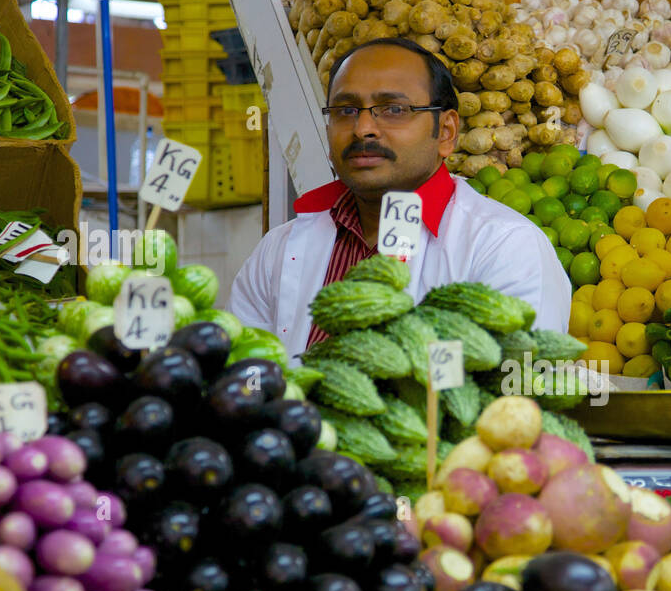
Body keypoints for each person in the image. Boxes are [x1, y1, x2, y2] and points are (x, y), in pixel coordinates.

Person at [228, 37, 571, 362]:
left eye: (393, 109)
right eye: (345, 111)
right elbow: (243, 376)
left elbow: (513, 405)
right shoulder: (278, 250)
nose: (363, 128)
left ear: (446, 132)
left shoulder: (506, 248)